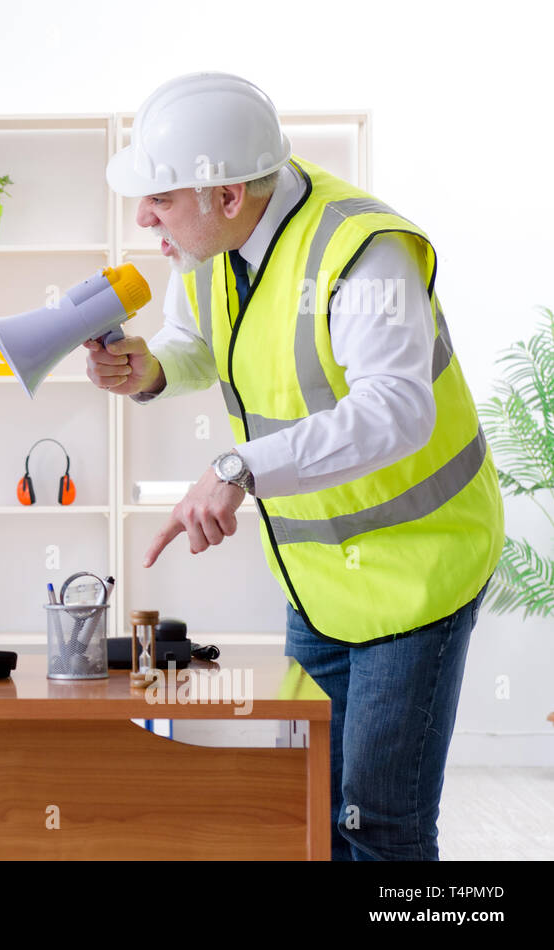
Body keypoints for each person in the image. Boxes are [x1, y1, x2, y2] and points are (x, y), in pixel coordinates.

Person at [86, 72, 503, 860]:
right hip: (316, 579)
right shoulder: (206, 243)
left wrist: (238, 467)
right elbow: (201, 344)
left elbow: (398, 410)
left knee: (378, 826)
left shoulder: (363, 251)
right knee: (311, 808)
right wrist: (149, 369)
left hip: (420, 569)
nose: (145, 217)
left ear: (228, 196)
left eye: (161, 198)